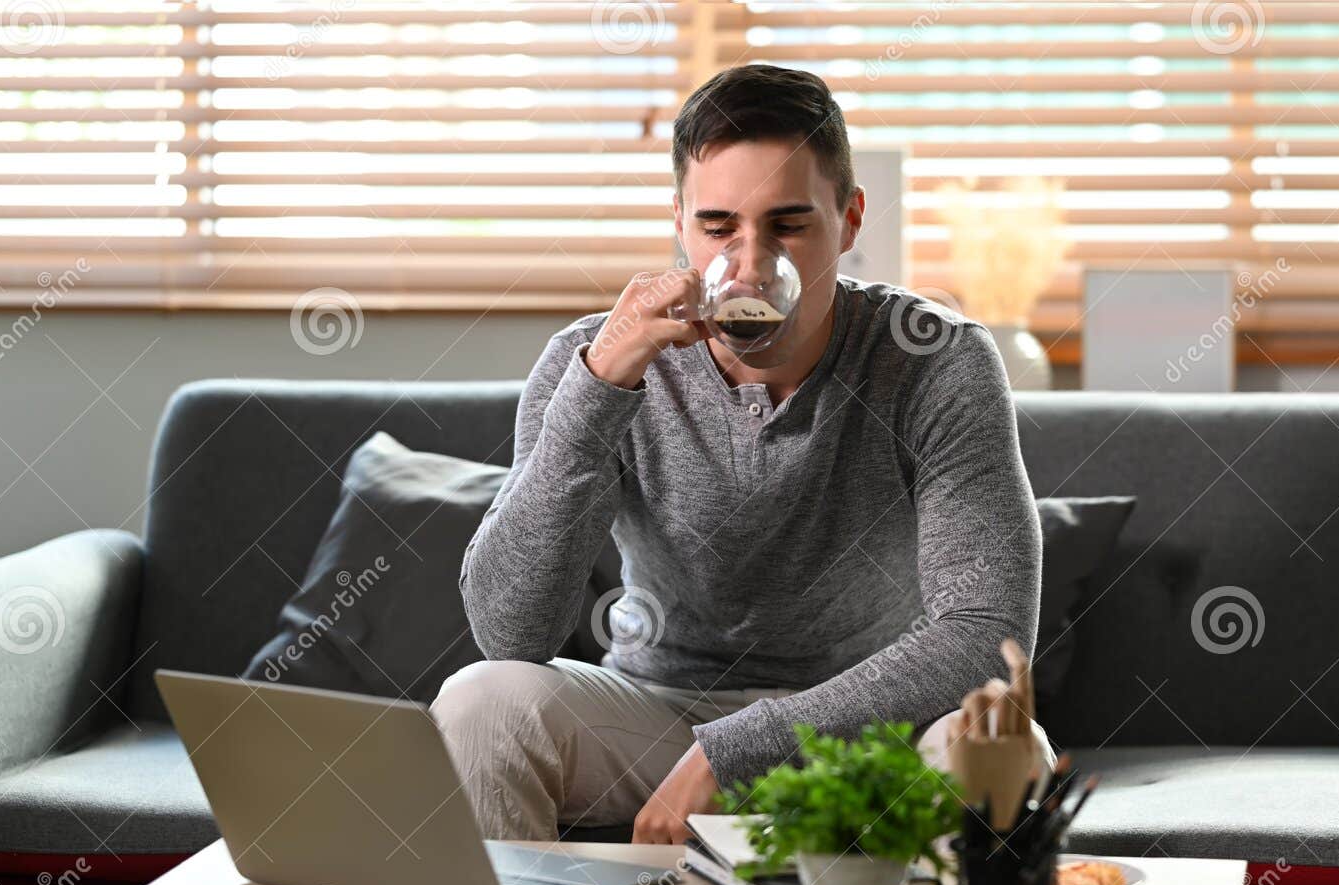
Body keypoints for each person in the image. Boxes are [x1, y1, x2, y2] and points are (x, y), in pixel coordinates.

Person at [433, 63, 1049, 844]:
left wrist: (735, 753)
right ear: (680, 224)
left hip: (874, 726)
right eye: (719, 227)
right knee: (480, 701)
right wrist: (597, 393)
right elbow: (510, 634)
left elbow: (983, 635)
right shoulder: (590, 360)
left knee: (1000, 751)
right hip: (657, 714)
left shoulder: (935, 359)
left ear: (849, 220)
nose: (751, 266)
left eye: (789, 225)